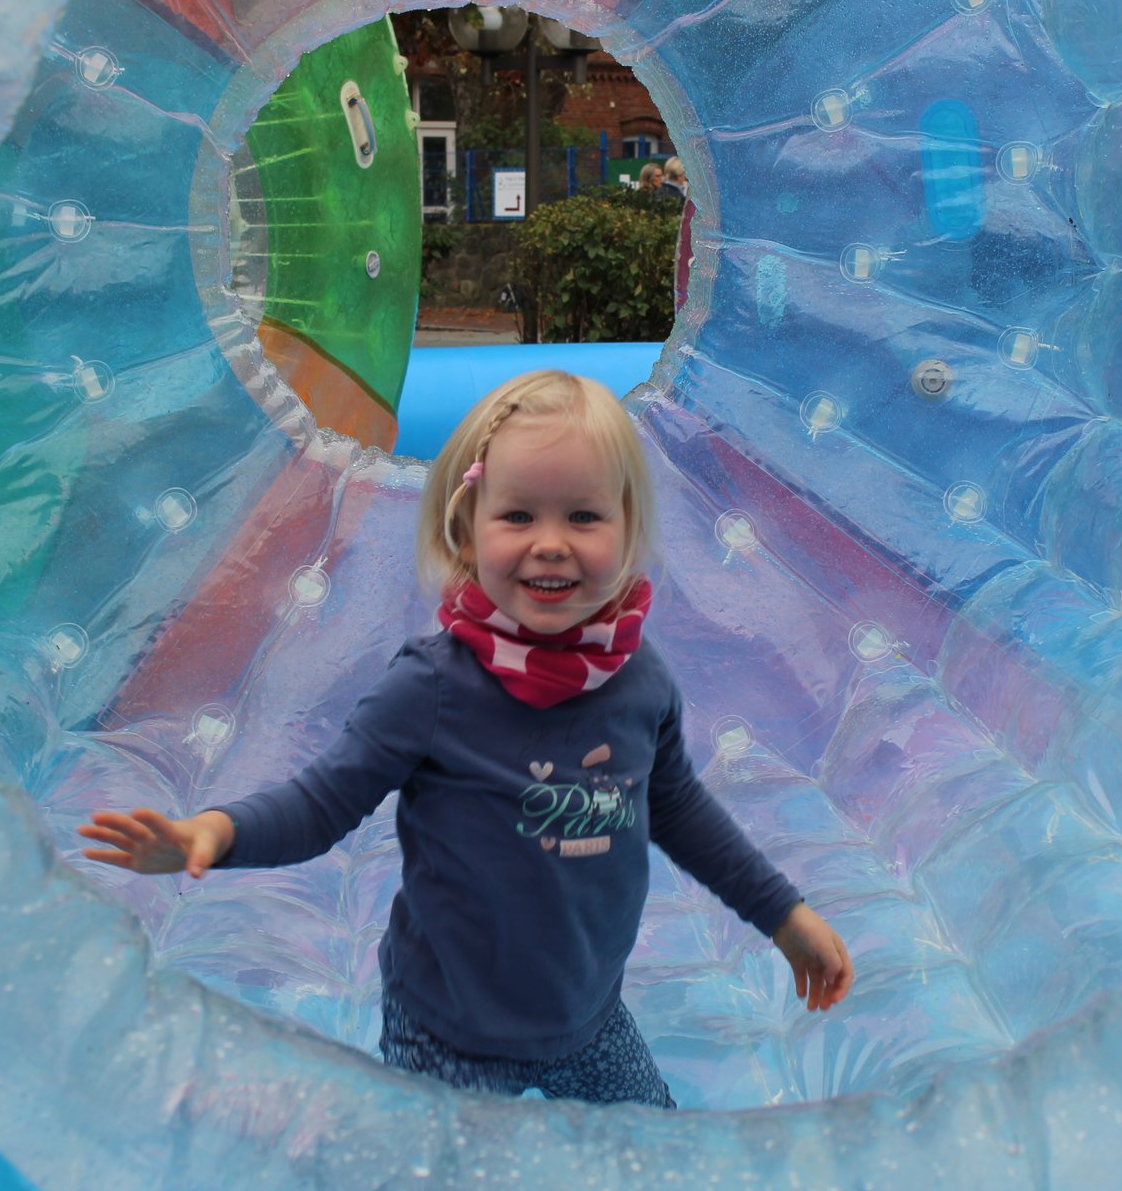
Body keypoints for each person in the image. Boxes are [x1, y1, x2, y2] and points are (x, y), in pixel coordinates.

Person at [79, 371, 854, 1108]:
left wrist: (784, 916)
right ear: (467, 530)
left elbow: (683, 813)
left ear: (629, 531)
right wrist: (214, 832)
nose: (551, 542)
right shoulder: (433, 686)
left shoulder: (637, 681)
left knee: (653, 1152)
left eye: (584, 516)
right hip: (448, 1032)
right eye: (518, 515)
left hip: (591, 1020)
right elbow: (320, 804)